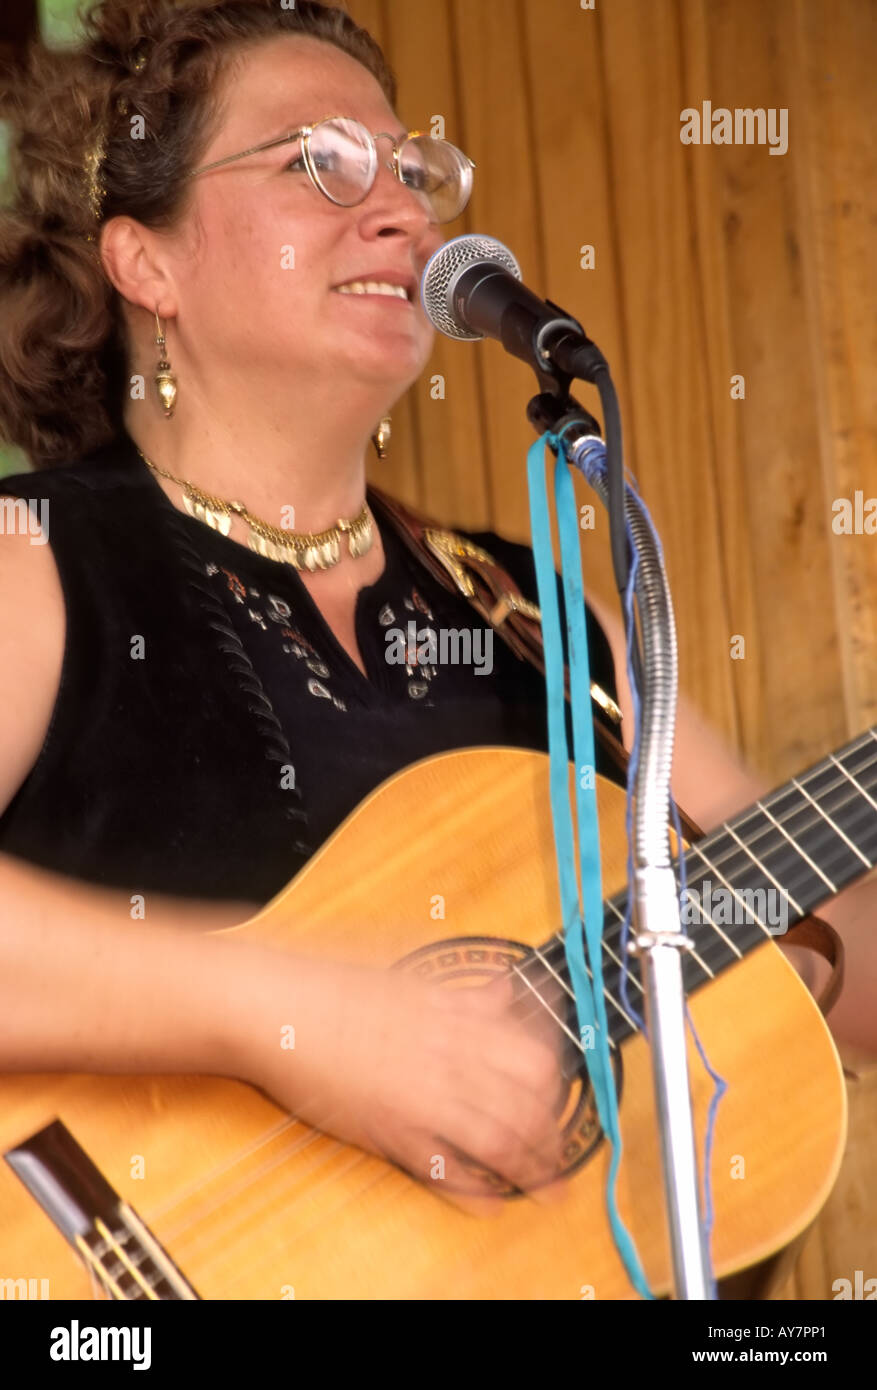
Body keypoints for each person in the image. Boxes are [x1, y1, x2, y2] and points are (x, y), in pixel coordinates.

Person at [0, 0, 873, 1222]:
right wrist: (297, 1014)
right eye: (320, 161)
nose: (406, 209)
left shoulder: (536, 613)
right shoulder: (33, 558)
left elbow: (853, 967)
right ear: (148, 259)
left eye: (415, 170)